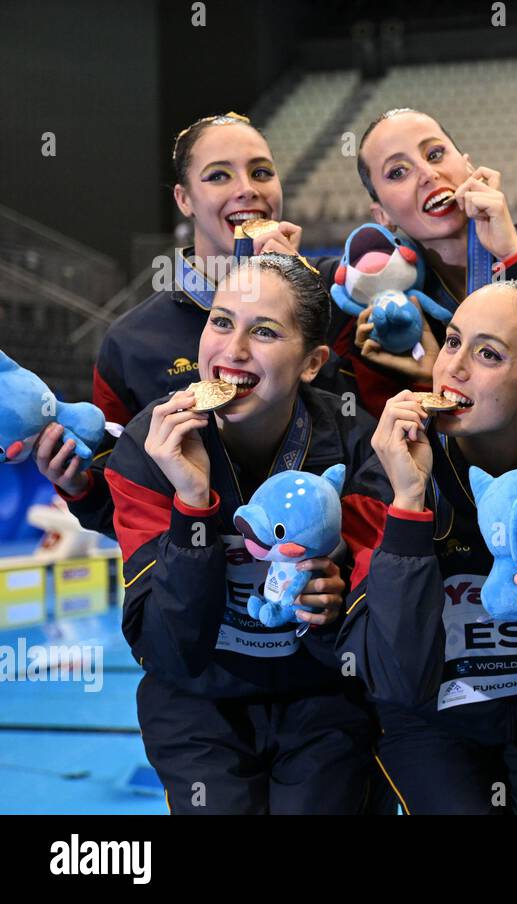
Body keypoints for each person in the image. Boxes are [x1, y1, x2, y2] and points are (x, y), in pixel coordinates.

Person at [103, 254, 386, 813]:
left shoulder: (358, 446)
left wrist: (335, 610)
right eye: (221, 321)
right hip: (198, 702)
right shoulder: (149, 447)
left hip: (325, 698)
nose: (231, 351)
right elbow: (167, 651)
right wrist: (192, 504)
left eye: (264, 332)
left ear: (313, 363)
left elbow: (384, 647)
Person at [338, 279, 517, 815]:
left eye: (487, 354)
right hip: (431, 723)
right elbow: (395, 679)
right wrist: (409, 505)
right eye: (451, 342)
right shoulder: (387, 473)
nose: (453, 368)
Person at [43, 113, 328, 537]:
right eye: (218, 176)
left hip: (319, 567)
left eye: (261, 172)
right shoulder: (130, 342)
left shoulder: (329, 300)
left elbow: (360, 438)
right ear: (184, 199)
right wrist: (79, 487)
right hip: (193, 566)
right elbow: (123, 507)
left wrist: (301, 286)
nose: (247, 189)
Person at [335, 107, 517, 421]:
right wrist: (434, 382)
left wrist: (516, 255)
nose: (428, 174)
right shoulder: (392, 319)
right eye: (398, 172)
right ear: (382, 216)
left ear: (468, 165)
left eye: (435, 154)